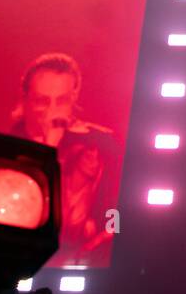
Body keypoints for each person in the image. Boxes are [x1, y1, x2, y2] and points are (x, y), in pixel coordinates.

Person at [9, 52, 120, 266]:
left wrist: (111, 234)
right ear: (25, 99)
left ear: (74, 98)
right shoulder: (11, 144)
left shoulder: (103, 143)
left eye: (61, 101)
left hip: (81, 258)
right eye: (42, 101)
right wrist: (49, 145)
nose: (52, 111)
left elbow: (117, 206)